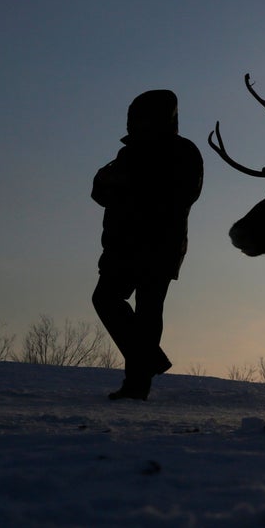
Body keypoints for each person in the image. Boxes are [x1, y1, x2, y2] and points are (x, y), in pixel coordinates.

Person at [92, 89, 203, 400]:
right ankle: (149, 359)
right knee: (105, 299)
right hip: (121, 244)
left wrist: (129, 188)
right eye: (133, 119)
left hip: (160, 245)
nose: (135, 124)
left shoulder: (184, 152)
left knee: (148, 310)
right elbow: (101, 189)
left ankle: (137, 384)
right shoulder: (128, 153)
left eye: (142, 118)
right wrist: (112, 185)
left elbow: (182, 196)